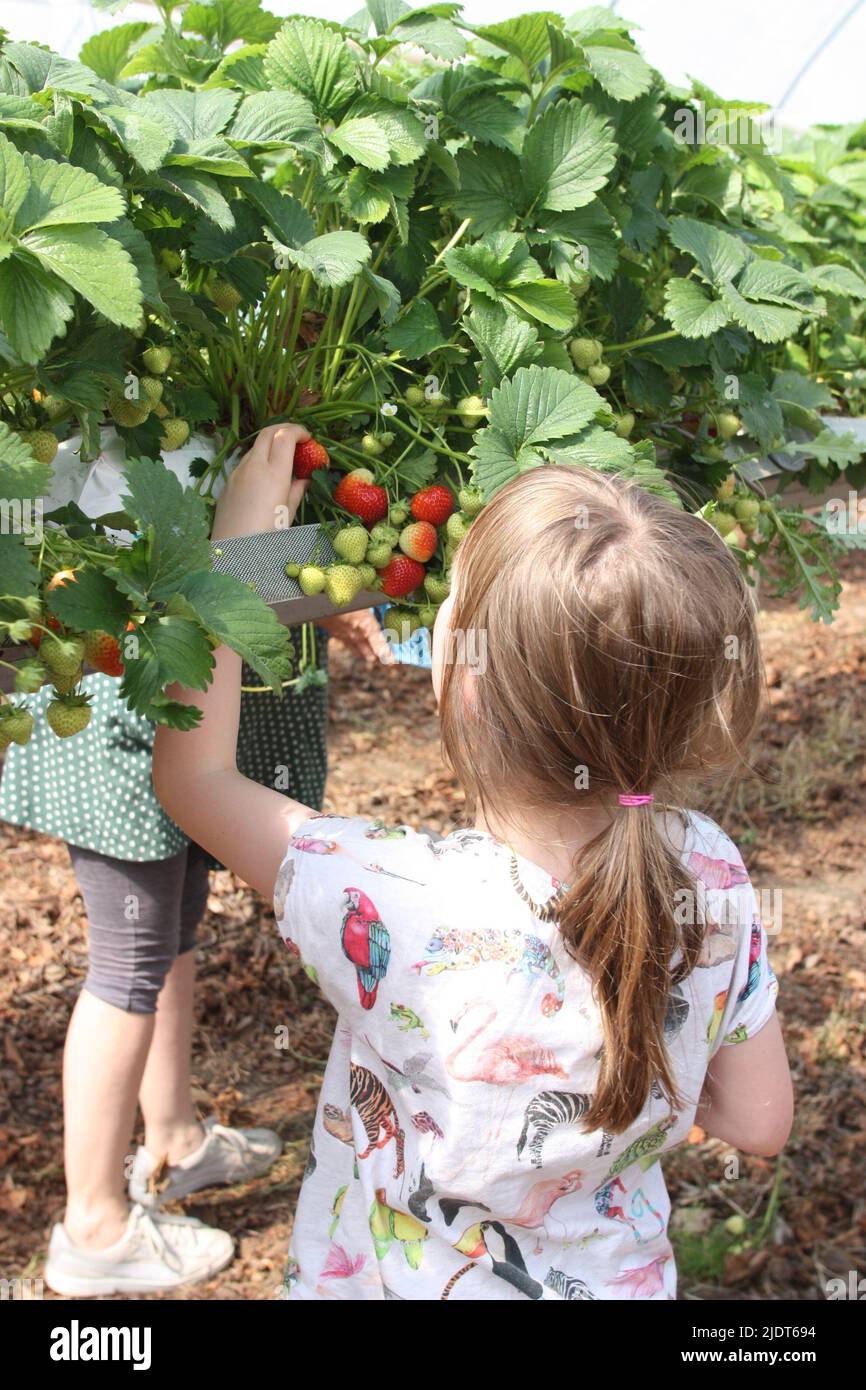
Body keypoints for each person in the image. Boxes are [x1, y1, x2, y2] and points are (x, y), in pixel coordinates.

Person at [152, 424, 793, 1301]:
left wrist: (237, 559)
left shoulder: (390, 897)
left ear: (466, 677)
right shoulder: (711, 876)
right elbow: (758, 1121)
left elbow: (194, 776)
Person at [1, 573, 389, 1296]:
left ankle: (175, 1139)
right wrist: (311, 591)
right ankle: (93, 1229)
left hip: (163, 696)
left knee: (177, 913)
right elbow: (201, 560)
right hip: (118, 705)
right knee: (129, 958)